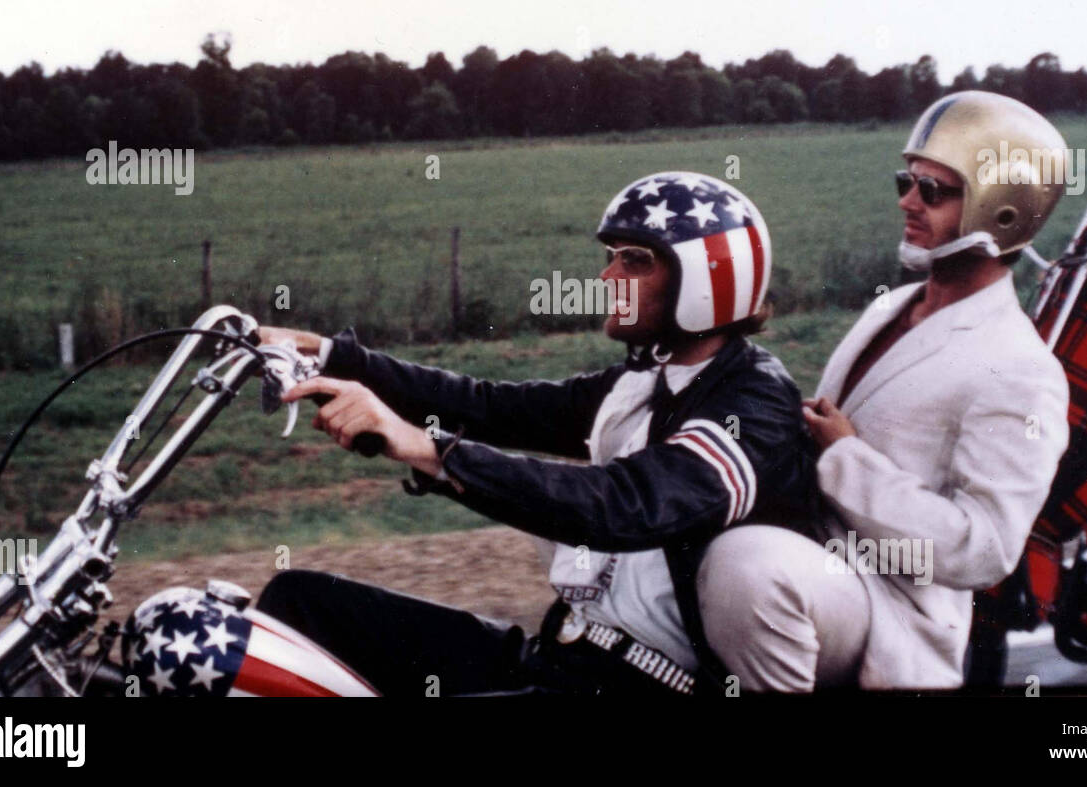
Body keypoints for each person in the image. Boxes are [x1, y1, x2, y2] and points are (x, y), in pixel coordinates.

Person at [253, 171, 819, 696]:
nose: (606, 277)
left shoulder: (754, 402)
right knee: (296, 605)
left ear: (704, 279)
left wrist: (424, 448)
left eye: (634, 261)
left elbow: (628, 504)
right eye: (610, 258)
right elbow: (488, 405)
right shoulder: (648, 380)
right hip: (559, 653)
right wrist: (332, 356)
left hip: (639, 684)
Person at [696, 92, 1072, 691]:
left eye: (934, 191)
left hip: (890, 611)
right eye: (908, 180)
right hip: (816, 558)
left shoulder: (1019, 368)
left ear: (1001, 210)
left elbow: (985, 550)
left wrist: (846, 459)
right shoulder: (894, 306)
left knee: (749, 568)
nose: (907, 201)